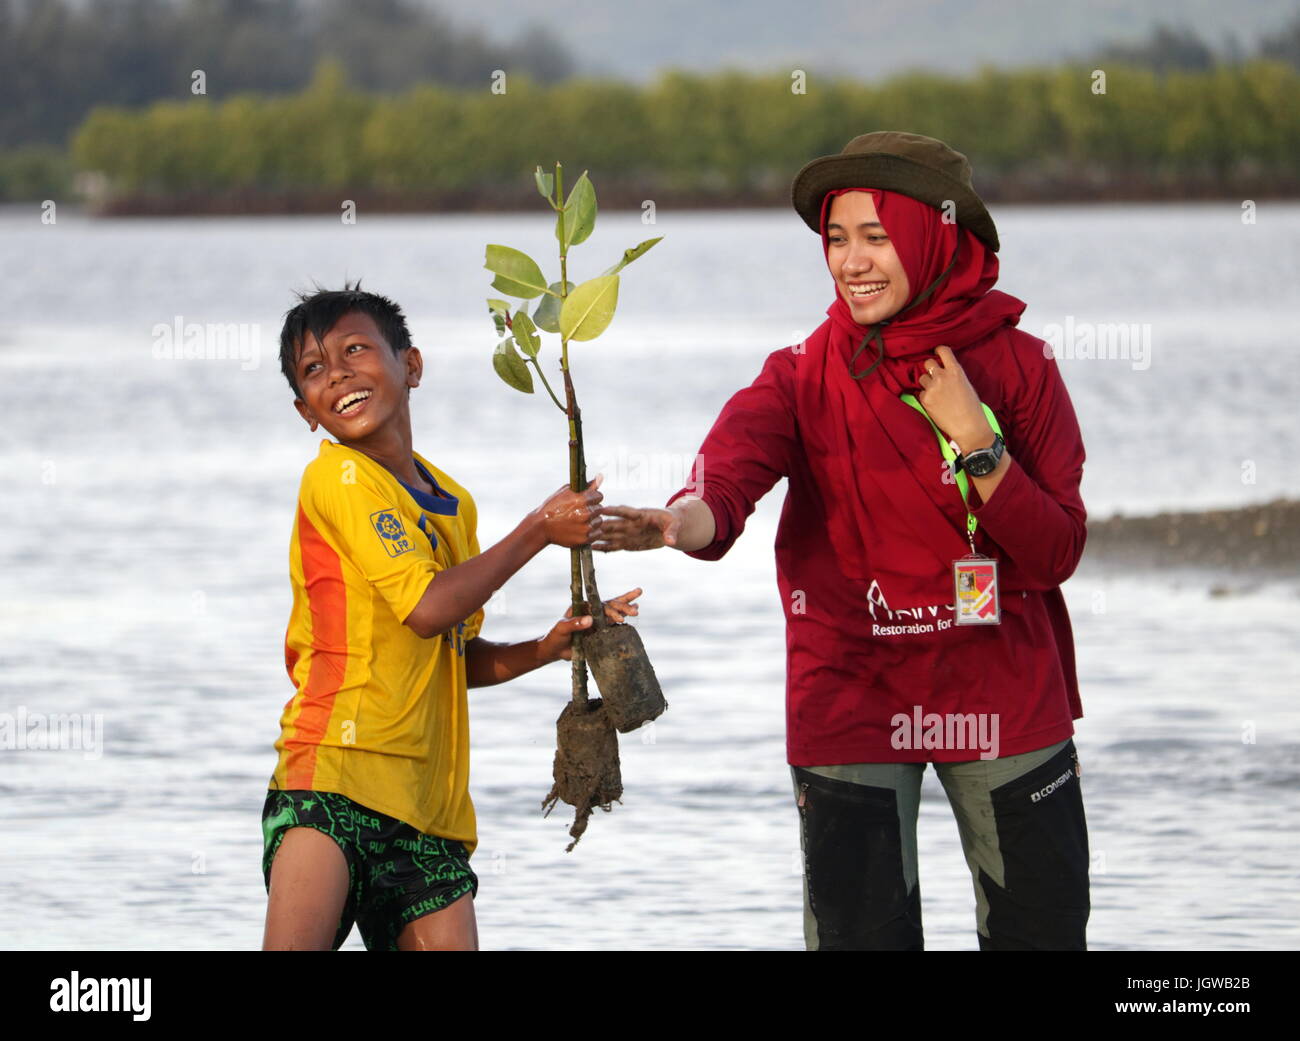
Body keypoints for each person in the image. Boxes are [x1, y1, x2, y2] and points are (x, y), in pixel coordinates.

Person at [595, 132, 1090, 951]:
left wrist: (977, 440)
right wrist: (677, 522)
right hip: (851, 689)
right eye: (835, 238)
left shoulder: (1022, 367)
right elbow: (728, 478)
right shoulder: (800, 372)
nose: (850, 262)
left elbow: (1055, 553)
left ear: (934, 235)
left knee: (1043, 933)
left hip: (1002, 687)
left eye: (876, 235)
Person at [261, 284, 639, 950]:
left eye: (355, 350)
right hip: (332, 783)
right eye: (315, 370)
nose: (340, 374)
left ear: (411, 365)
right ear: (305, 410)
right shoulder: (337, 479)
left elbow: (454, 655)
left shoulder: (452, 504)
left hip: (431, 813)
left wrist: (545, 646)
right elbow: (428, 611)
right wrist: (538, 530)